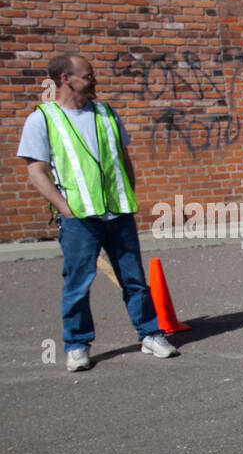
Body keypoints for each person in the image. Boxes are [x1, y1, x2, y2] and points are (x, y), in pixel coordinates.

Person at [18, 53, 176, 372]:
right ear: (66, 78)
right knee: (77, 283)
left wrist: (128, 193)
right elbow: (36, 171)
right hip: (79, 218)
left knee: (134, 280)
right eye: (88, 76)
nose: (94, 81)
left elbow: (123, 157)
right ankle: (77, 345)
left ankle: (150, 334)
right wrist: (64, 208)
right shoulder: (43, 118)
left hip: (118, 213)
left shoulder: (106, 114)